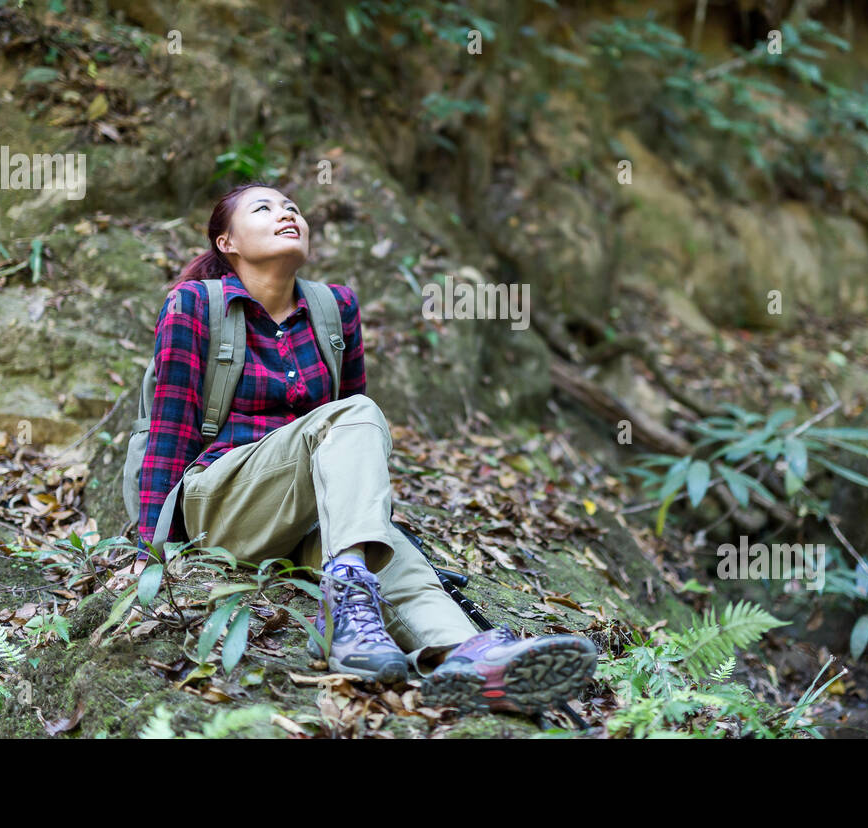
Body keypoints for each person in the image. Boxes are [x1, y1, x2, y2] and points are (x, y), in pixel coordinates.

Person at [134, 181, 597, 716]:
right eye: (264, 209)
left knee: (395, 559)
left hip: (301, 522)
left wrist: (369, 525)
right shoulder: (193, 306)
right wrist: (153, 557)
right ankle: (350, 604)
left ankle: (473, 660)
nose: (287, 214)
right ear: (226, 243)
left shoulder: (335, 309)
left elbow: (354, 450)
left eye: (293, 208)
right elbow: (168, 432)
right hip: (222, 505)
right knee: (357, 413)